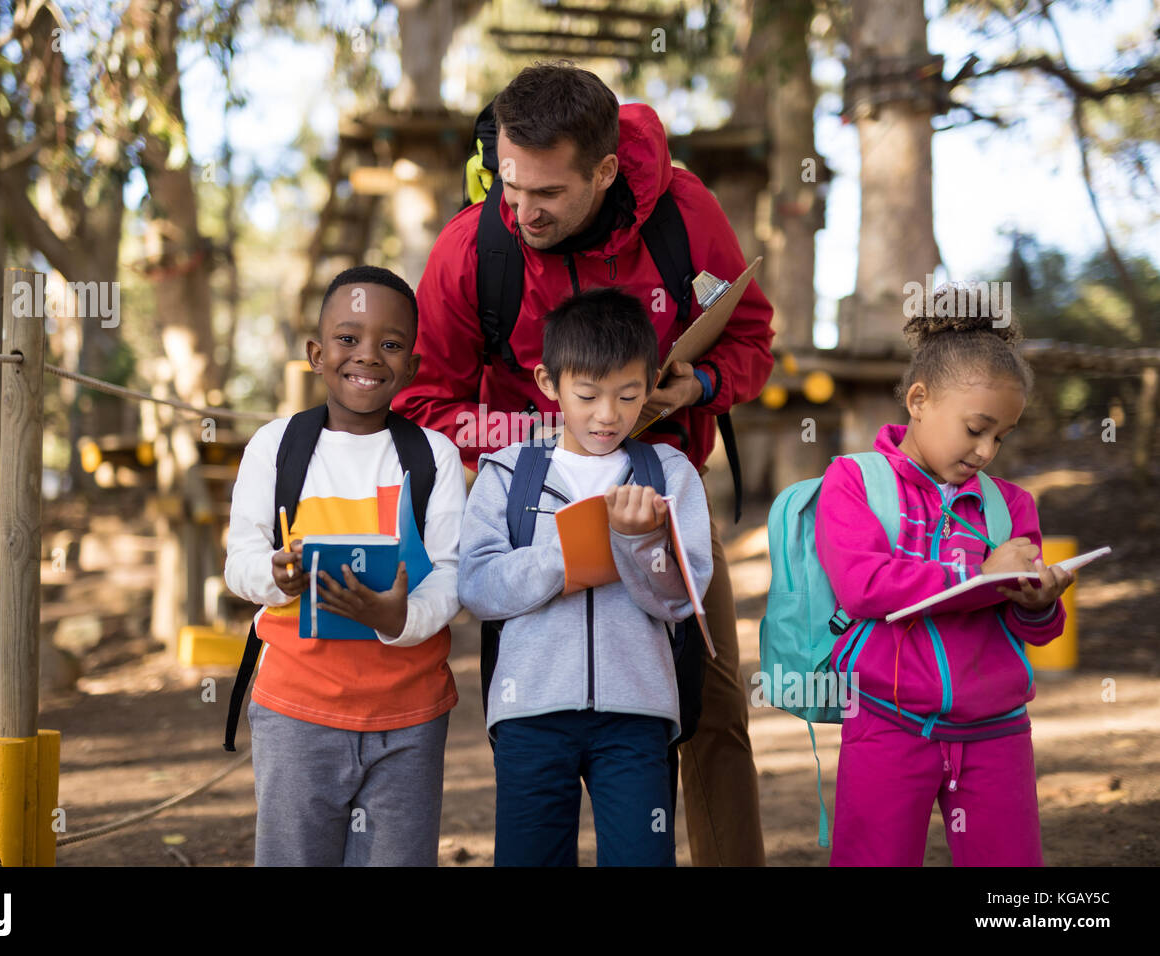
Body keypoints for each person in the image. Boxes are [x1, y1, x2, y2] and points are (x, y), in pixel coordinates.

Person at [394, 61, 771, 866]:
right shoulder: (472, 250)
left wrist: (694, 386)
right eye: (509, 184)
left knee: (713, 705)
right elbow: (425, 401)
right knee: (540, 711)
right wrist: (545, 435)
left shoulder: (685, 215)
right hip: (530, 491)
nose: (521, 210)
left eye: (548, 195)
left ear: (604, 171)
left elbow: (749, 341)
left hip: (663, 485)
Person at [815, 287, 1075, 866]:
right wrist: (976, 573)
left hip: (997, 732)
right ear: (918, 399)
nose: (986, 450)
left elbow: (1032, 630)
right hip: (887, 722)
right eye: (976, 428)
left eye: (1001, 436)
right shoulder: (854, 481)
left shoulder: (1011, 506)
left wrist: (1038, 604)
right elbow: (865, 586)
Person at [458, 288, 714, 866]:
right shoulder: (508, 472)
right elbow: (477, 585)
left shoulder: (668, 472)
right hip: (530, 714)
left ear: (650, 384)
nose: (608, 414)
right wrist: (563, 556)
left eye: (628, 395)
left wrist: (636, 541)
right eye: (588, 394)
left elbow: (683, 598)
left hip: (637, 714)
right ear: (549, 383)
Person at [223, 265, 466, 866]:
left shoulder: (434, 457)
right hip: (296, 710)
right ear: (316, 353)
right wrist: (277, 579)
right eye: (348, 338)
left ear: (411, 366)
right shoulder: (276, 447)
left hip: (408, 717)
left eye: (390, 344)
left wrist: (398, 616)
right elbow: (240, 558)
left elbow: (452, 573)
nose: (368, 356)